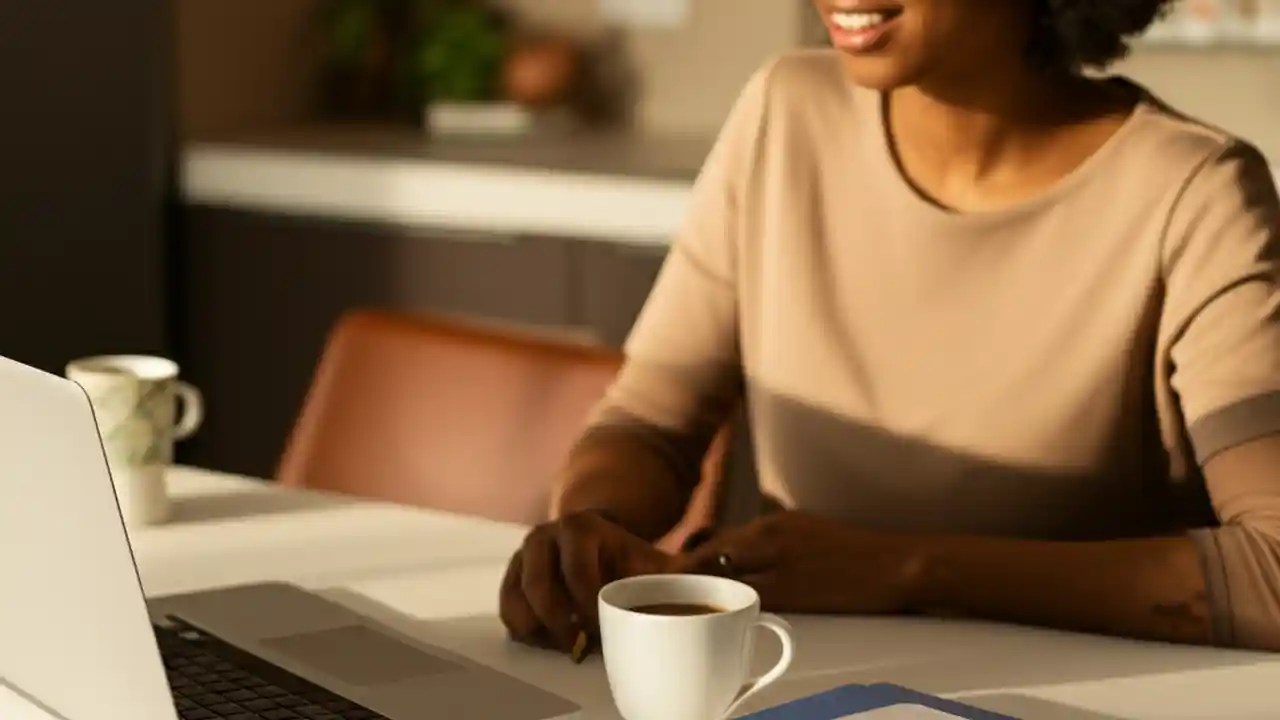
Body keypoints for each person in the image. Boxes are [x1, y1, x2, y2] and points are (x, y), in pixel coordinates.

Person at [499, 0, 1280, 653]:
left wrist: (913, 569)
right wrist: (587, 529)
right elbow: (646, 424)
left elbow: (1272, 568)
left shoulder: (1195, 196)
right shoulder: (785, 113)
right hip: (791, 688)